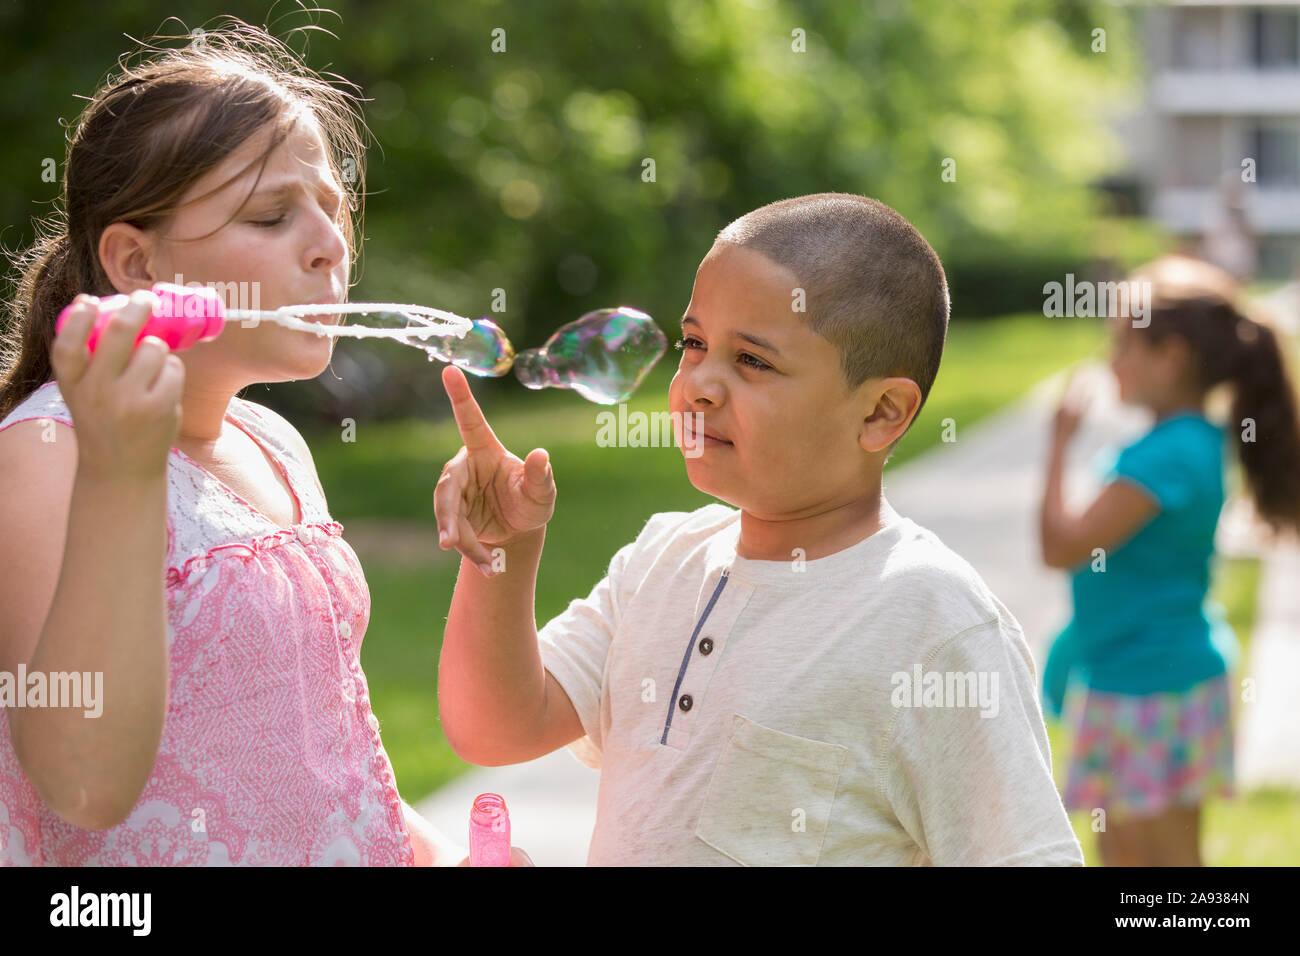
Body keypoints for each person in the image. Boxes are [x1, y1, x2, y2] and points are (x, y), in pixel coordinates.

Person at [0, 22, 527, 866]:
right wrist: (122, 474)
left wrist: (441, 859)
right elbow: (84, 782)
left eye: (334, 208)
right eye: (273, 215)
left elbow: (321, 763)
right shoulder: (48, 456)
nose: (330, 245)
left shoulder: (272, 443)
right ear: (138, 265)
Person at [434, 193, 1084, 866]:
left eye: (752, 361)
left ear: (881, 412)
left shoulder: (930, 620)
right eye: (694, 344)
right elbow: (495, 726)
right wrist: (504, 547)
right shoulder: (661, 561)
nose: (700, 385)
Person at [1039, 255, 1300, 866]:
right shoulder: (1189, 442)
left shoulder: (1165, 456)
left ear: (1172, 356)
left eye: (1123, 345)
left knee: (1140, 868)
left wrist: (1058, 443)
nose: (1111, 361)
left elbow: (1061, 547)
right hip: (1166, 673)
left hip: (1144, 686)